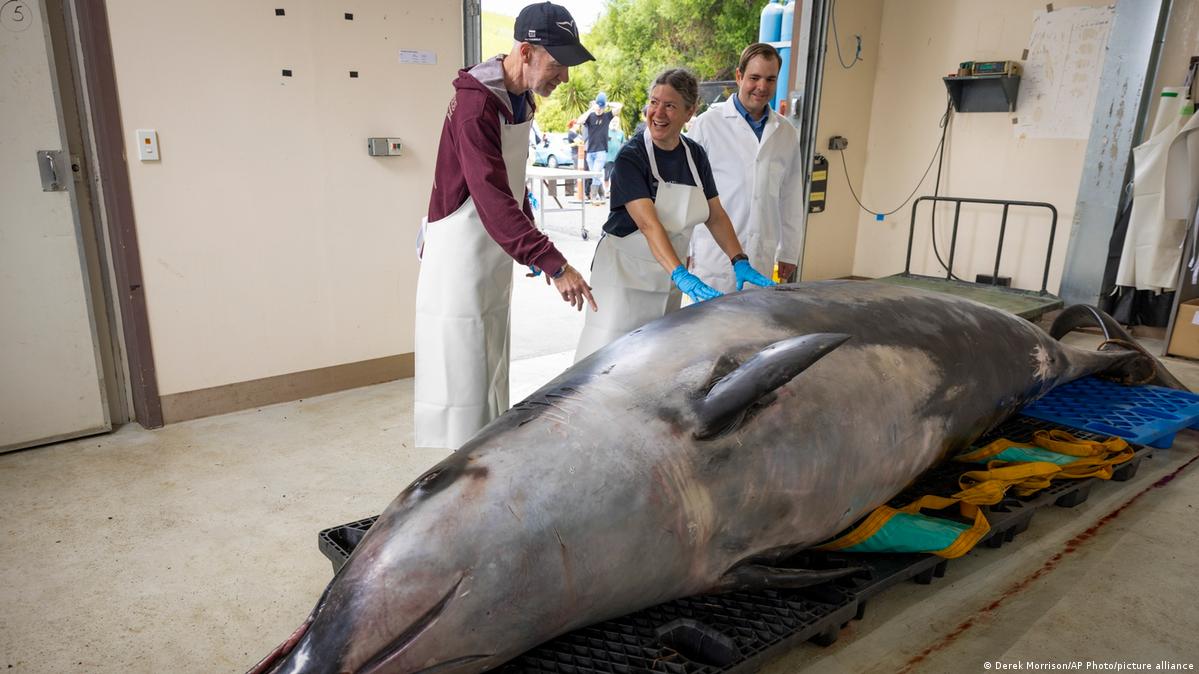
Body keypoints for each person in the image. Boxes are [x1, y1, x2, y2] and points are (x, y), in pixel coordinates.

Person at [415, 1, 597, 450]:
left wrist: (529, 237)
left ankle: (484, 460)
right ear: (526, 52)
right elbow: (492, 197)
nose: (565, 77)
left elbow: (511, 186)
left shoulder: (519, 100)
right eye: (558, 64)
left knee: (491, 362)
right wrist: (553, 263)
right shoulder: (477, 105)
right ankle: (459, 477)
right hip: (460, 254)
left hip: (489, 249)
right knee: (463, 376)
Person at [574, 68, 774, 362]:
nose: (658, 113)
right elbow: (648, 224)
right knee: (606, 360)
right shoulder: (632, 157)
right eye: (654, 102)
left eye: (670, 105)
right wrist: (682, 275)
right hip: (624, 277)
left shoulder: (695, 155)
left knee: (652, 361)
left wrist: (738, 260)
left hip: (666, 279)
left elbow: (714, 214)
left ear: (690, 111)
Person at [687, 43, 806, 290]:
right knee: (710, 326)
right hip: (713, 257)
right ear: (739, 77)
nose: (762, 87)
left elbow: (791, 196)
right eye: (754, 78)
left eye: (770, 79)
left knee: (754, 325)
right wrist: (685, 248)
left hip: (761, 254)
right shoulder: (708, 125)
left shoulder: (785, 133)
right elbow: (688, 192)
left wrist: (789, 251)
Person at [581, 92, 615, 203]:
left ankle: (593, 197)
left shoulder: (607, 116)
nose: (600, 109)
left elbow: (620, 107)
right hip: (590, 151)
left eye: (602, 107)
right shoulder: (590, 116)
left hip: (601, 150)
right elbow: (579, 121)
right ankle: (603, 197)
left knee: (595, 173)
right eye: (598, 106)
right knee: (595, 175)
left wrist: (607, 104)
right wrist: (591, 109)